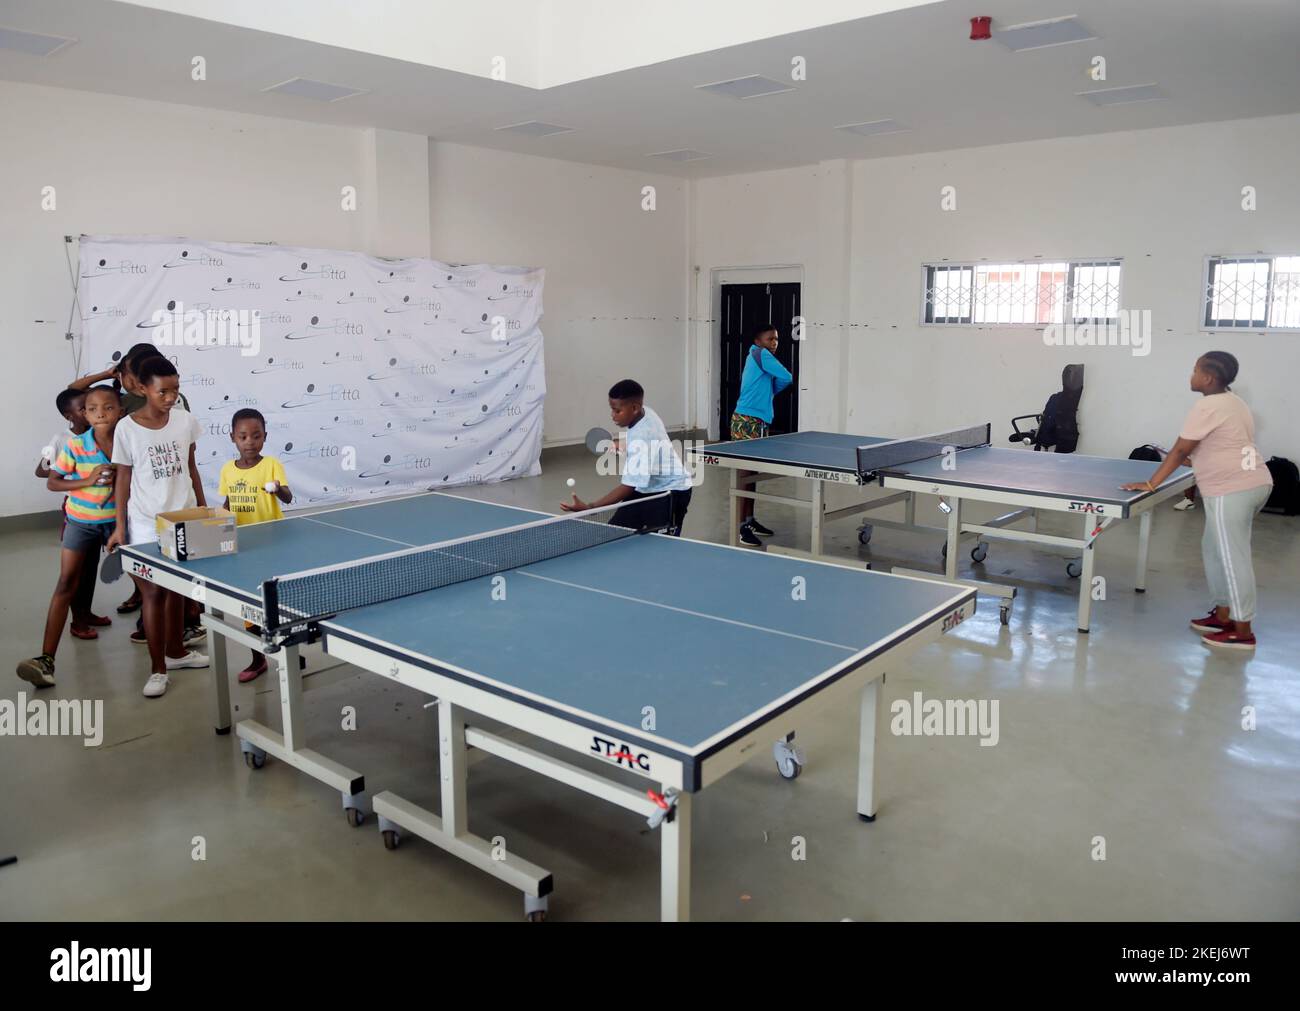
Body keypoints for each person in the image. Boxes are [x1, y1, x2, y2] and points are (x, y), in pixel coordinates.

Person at [1121, 351, 1273, 652]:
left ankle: (1243, 630)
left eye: (1194, 371)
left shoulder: (1207, 405)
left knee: (1232, 557)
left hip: (1233, 489)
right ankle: (1222, 613)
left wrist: (1151, 483)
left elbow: (1179, 451)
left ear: (1208, 378)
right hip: (1247, 483)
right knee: (1215, 550)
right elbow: (1217, 447)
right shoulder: (1234, 401)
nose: (1191, 376)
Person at [106, 356, 209, 696]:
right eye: (163, 391)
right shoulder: (127, 428)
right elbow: (123, 477)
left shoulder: (185, 421)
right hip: (147, 523)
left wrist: (203, 508)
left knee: (178, 587)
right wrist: (120, 527)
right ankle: (157, 670)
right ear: (142, 389)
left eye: (175, 389)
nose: (170, 397)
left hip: (183, 516)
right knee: (152, 592)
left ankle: (177, 652)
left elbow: (191, 467)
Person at [17, 386, 123, 688]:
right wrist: (88, 479)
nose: (100, 413)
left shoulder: (129, 442)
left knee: (148, 585)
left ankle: (169, 650)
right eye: (92, 409)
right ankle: (45, 660)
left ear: (121, 411)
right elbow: (53, 482)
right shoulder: (76, 446)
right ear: (83, 414)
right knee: (66, 583)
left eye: (108, 407)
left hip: (119, 524)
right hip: (81, 522)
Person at [561, 379, 692, 535]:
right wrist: (623, 443)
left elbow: (627, 486)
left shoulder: (642, 439)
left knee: (662, 546)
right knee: (614, 533)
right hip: (647, 487)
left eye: (617, 411)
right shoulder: (646, 412)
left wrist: (590, 508)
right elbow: (644, 436)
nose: (612, 415)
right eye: (612, 409)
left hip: (671, 492)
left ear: (635, 408)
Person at [218, 409, 291, 683]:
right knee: (249, 606)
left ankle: (290, 652)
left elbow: (288, 497)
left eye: (256, 436)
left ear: (265, 437)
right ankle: (257, 659)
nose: (250, 442)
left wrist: (277, 489)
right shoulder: (227, 469)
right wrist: (214, 521)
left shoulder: (271, 465)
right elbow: (227, 504)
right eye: (243, 436)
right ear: (233, 438)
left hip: (273, 543)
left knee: (278, 604)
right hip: (243, 546)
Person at [36, 388, 109, 639]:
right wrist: (78, 473)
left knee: (90, 568)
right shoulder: (63, 439)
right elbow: (43, 471)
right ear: (71, 415)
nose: (95, 412)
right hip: (78, 509)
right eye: (84, 408)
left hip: (102, 509)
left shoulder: (103, 436)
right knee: (75, 572)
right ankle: (77, 621)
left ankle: (85, 613)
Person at [729, 324, 792, 545]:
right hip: (747, 421)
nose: (774, 343)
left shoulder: (759, 357)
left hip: (759, 421)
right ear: (758, 341)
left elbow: (783, 379)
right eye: (769, 339)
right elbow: (786, 376)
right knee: (744, 477)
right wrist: (772, 391)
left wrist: (768, 392)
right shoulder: (760, 354)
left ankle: (750, 519)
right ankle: (741, 528)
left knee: (752, 475)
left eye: (776, 339)